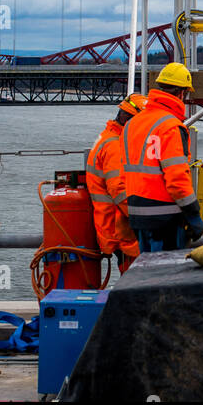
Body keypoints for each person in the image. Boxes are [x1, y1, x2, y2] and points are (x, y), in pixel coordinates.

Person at [122, 63, 203, 251]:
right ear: (182, 93)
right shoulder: (171, 127)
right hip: (166, 218)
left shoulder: (132, 124)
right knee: (168, 276)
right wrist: (192, 214)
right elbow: (177, 178)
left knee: (147, 275)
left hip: (137, 216)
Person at [86, 92, 146, 273]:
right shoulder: (116, 146)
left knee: (132, 283)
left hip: (113, 223)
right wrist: (144, 217)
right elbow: (119, 189)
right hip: (121, 228)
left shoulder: (109, 137)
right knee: (135, 284)